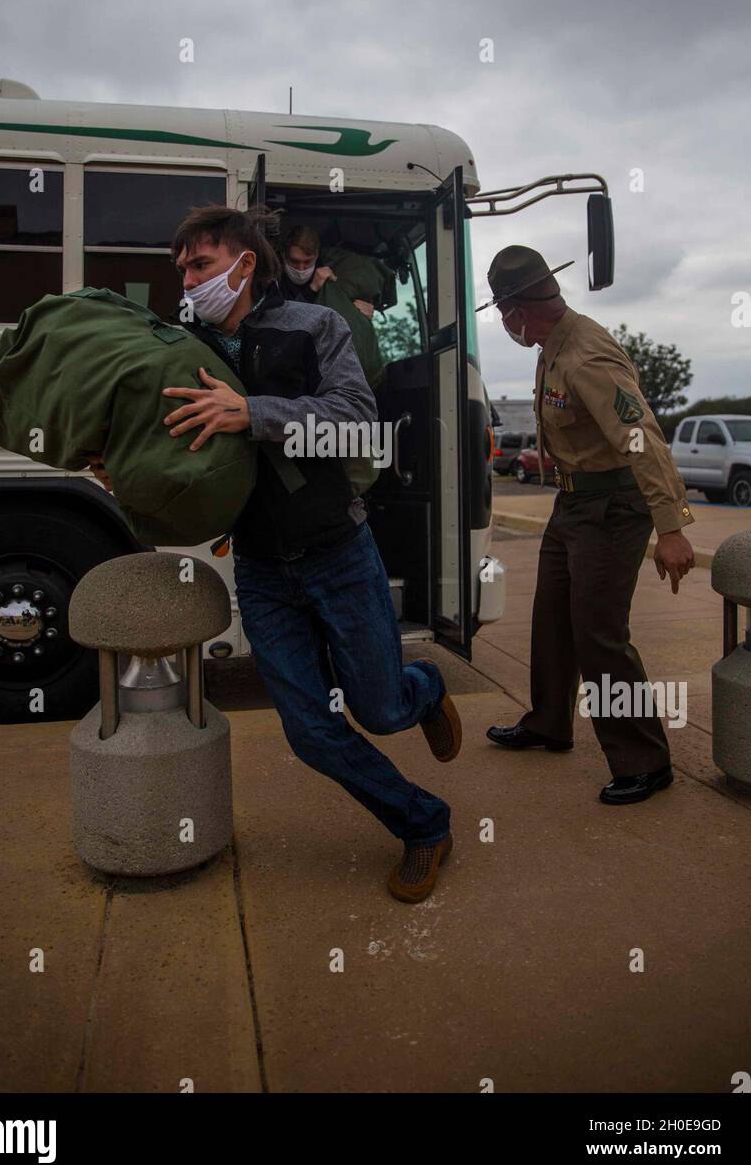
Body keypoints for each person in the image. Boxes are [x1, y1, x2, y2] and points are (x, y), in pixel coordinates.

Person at [127, 204, 460, 901]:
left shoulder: (316, 326)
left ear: (245, 265)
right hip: (260, 567)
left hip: (337, 551)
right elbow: (159, 438)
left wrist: (254, 412)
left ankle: (421, 689)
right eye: (180, 268)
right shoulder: (176, 346)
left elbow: (356, 426)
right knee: (311, 733)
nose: (186, 281)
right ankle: (424, 824)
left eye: (200, 265)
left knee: (381, 708)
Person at [481, 245, 695, 805]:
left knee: (599, 635)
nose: (505, 325)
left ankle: (645, 760)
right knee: (552, 619)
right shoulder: (551, 344)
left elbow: (640, 437)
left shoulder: (585, 357)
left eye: (504, 314)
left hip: (613, 508)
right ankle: (550, 722)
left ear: (522, 311)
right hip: (573, 504)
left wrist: (670, 528)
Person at [280, 224, 375, 321]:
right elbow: (285, 322)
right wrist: (312, 289)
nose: (301, 268)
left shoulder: (335, 272)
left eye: (307, 262)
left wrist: (365, 311)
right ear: (284, 256)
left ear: (316, 256)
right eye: (294, 261)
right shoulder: (274, 280)